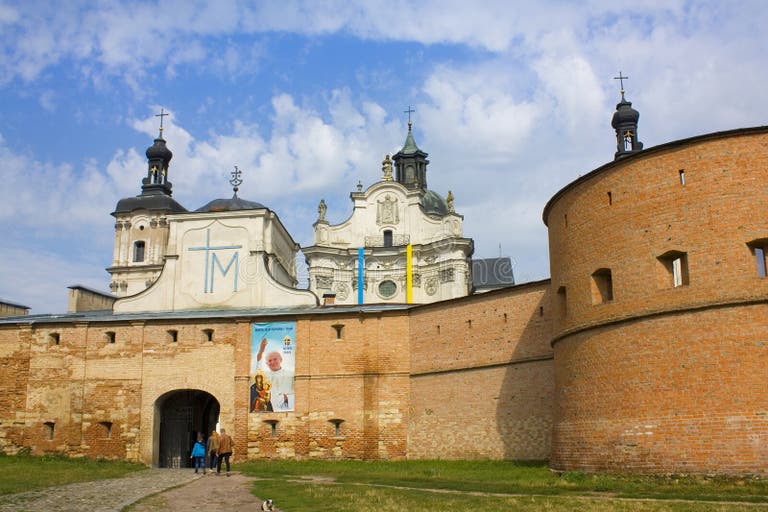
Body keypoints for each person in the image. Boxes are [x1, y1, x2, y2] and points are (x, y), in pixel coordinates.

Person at [256, 338, 295, 411]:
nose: (272, 362)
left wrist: (286, 397)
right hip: (271, 408)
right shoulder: (265, 375)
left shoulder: (291, 374)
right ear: (267, 363)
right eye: (270, 360)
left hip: (289, 408)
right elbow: (258, 364)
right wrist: (261, 351)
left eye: (275, 359)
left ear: (281, 359)